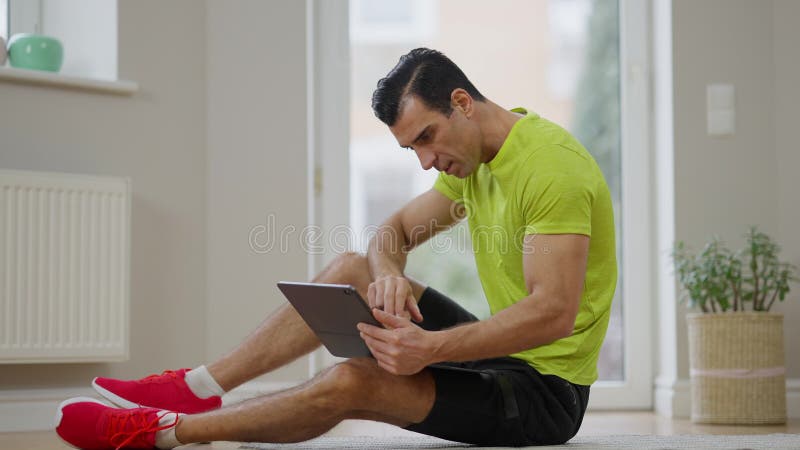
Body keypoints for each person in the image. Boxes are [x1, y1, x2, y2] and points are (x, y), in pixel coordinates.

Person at [55, 47, 617, 449]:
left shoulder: (551, 169)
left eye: (426, 138)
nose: (424, 160)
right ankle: (200, 387)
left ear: (462, 103)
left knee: (353, 380)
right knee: (355, 268)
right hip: (503, 359)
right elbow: (391, 230)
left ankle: (162, 432)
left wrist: (429, 350)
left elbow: (553, 313)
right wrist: (391, 272)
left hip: (546, 395)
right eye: (410, 148)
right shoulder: (475, 158)